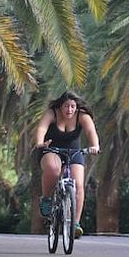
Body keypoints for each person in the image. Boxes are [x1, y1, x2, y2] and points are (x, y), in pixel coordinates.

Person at [33, 91, 100, 238]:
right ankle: (46, 199)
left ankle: (75, 224)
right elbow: (41, 129)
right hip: (51, 149)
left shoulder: (82, 116)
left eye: (73, 106)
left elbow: (91, 132)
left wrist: (95, 146)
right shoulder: (52, 113)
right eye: (66, 106)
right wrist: (40, 143)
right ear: (60, 106)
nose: (69, 110)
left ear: (77, 107)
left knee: (78, 185)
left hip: (73, 152)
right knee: (53, 169)